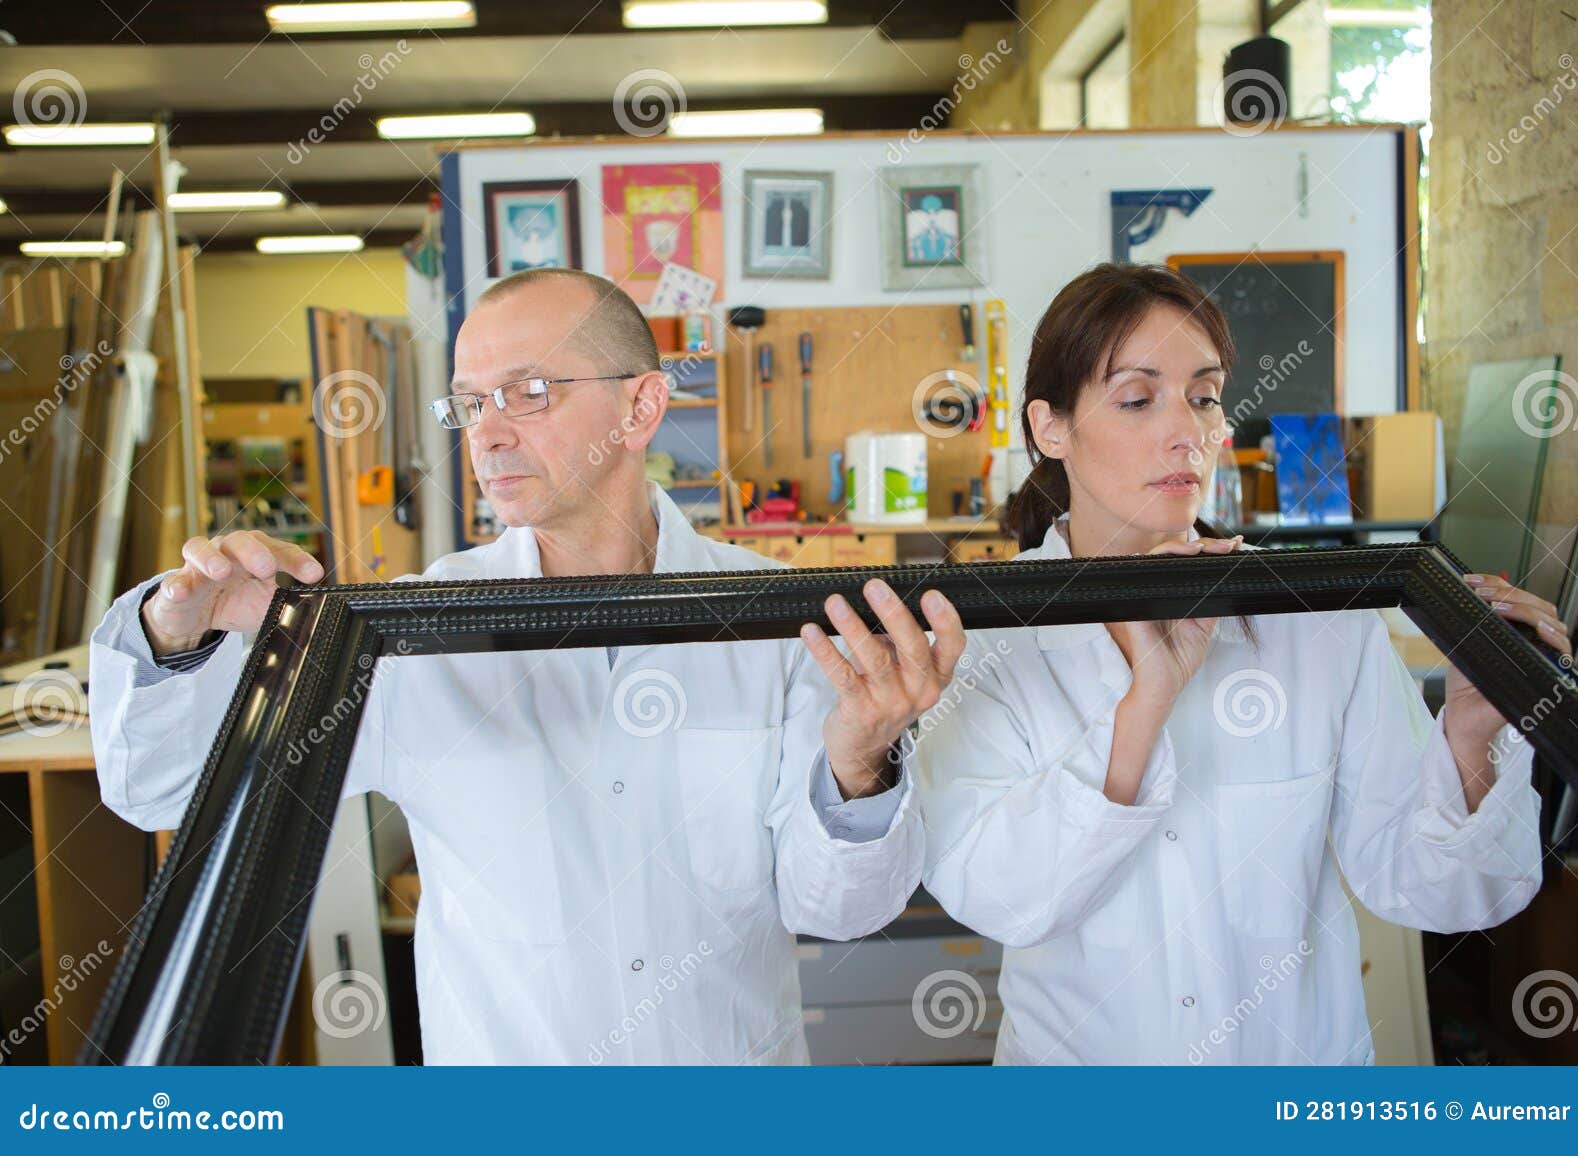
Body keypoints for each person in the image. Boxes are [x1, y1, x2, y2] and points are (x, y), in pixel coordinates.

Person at [89, 268, 966, 1064]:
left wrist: (861, 759)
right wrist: (178, 635)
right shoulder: (411, 633)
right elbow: (167, 794)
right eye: (470, 403)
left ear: (642, 408)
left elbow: (839, 910)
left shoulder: (776, 620)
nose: (489, 434)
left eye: (529, 392)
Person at [914, 263, 1555, 1065]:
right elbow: (999, 899)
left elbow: (1443, 892)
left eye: (1206, 395)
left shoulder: (1313, 623)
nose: (1188, 431)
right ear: (1050, 428)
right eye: (1138, 398)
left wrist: (1470, 737)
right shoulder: (989, 639)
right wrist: (1144, 707)